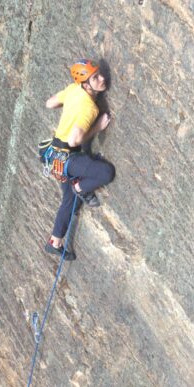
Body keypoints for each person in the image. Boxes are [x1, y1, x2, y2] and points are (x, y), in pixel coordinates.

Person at [42, 60, 115, 260]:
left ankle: (55, 242)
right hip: (68, 157)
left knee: (69, 200)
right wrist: (97, 128)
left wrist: (68, 104)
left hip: (53, 155)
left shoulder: (73, 89)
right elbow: (75, 139)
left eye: (100, 74)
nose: (102, 79)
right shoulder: (88, 108)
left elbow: (50, 103)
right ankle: (80, 187)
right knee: (106, 173)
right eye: (95, 78)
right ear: (85, 84)